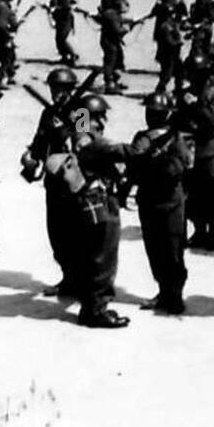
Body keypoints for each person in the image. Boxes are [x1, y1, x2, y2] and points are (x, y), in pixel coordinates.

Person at [124, 91, 194, 314]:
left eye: (156, 113)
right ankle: (164, 291)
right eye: (149, 112)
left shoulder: (176, 138)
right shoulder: (142, 137)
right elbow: (132, 166)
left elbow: (182, 167)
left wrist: (156, 161)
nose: (151, 116)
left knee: (173, 249)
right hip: (148, 199)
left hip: (170, 200)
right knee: (154, 248)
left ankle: (174, 294)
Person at [66, 93, 132, 328]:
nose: (103, 121)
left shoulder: (80, 133)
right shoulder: (89, 141)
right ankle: (96, 310)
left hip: (88, 202)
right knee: (102, 256)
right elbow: (118, 151)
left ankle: (89, 306)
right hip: (99, 202)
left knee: (90, 254)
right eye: (99, 117)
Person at [20, 66, 82, 296]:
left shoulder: (80, 111)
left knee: (76, 232)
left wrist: (63, 129)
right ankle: (67, 277)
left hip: (72, 179)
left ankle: (80, 279)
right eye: (54, 88)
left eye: (61, 89)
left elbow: (82, 143)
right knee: (56, 232)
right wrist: (31, 157)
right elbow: (39, 140)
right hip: (52, 180)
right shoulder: (48, 113)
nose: (56, 93)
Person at [176, 54, 214, 250]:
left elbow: (213, 120)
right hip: (190, 150)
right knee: (192, 193)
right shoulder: (185, 93)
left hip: (208, 150)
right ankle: (198, 231)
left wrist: (196, 104)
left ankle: (212, 233)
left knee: (211, 193)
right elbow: (178, 119)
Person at [150, 0, 186, 95]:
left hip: (172, 31)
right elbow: (153, 12)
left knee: (175, 64)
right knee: (167, 63)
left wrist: (178, 23)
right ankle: (162, 88)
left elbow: (184, 14)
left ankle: (177, 86)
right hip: (164, 34)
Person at [98, 0, 128, 94]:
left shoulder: (113, 13)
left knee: (118, 60)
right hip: (109, 42)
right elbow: (117, 30)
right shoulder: (111, 14)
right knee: (110, 62)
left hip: (113, 41)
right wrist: (125, 28)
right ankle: (109, 84)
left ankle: (114, 81)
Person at [48, 0, 79, 67]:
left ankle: (73, 55)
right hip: (60, 19)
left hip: (65, 19)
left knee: (61, 39)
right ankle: (64, 57)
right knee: (58, 39)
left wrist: (54, 9)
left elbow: (66, 7)